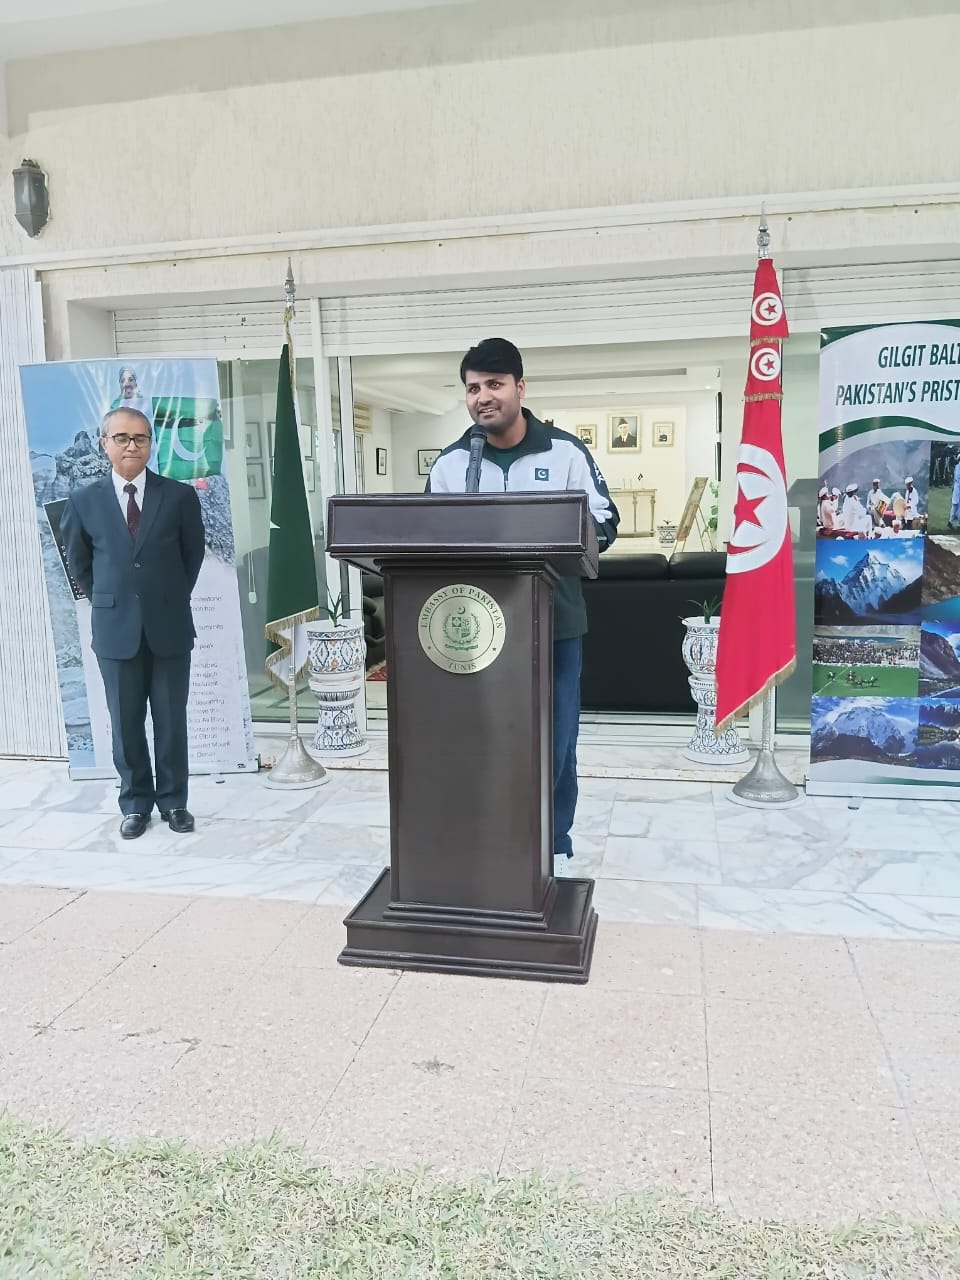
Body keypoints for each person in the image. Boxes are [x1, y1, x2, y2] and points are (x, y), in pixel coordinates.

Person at [426, 338, 619, 873]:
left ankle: (548, 844)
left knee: (554, 741)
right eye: (472, 388)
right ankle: (483, 838)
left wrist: (550, 534)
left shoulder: (565, 453)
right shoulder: (451, 465)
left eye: (494, 384)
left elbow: (606, 524)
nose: (482, 397)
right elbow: (423, 538)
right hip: (472, 629)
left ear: (519, 388)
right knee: (481, 739)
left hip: (554, 623)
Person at [61, 407, 205, 839]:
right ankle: (136, 803)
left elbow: (191, 558)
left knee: (169, 720)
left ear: (150, 444)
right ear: (104, 443)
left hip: (169, 627)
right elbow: (79, 563)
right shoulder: (84, 500)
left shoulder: (178, 496)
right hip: (114, 629)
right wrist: (112, 598)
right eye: (121, 437)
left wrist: (164, 596)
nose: (131, 445)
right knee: (125, 723)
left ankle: (175, 802)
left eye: (140, 438)